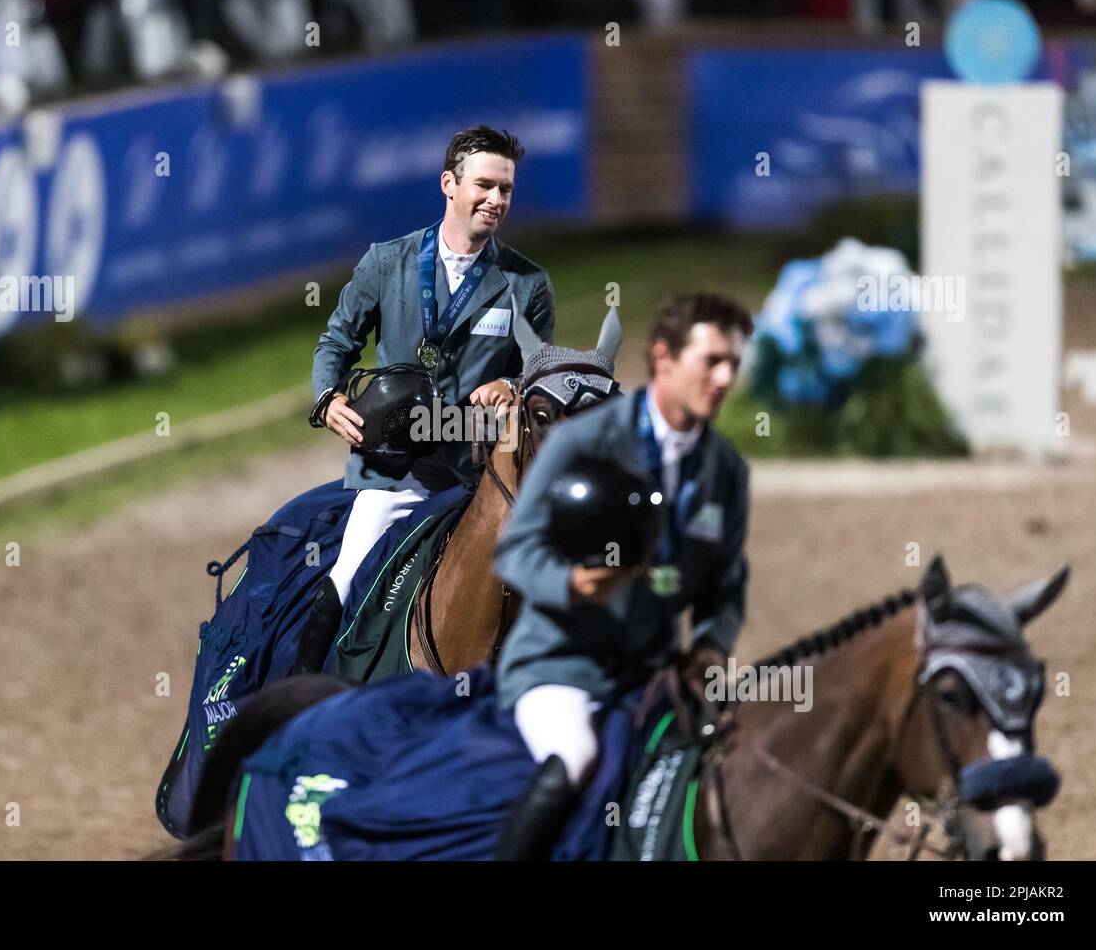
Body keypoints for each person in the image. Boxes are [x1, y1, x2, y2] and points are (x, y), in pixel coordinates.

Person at [491, 292, 754, 859]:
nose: (726, 377)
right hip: (561, 666)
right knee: (576, 755)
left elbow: (726, 585)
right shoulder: (581, 441)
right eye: (713, 361)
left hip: (655, 673)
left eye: (734, 363)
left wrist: (711, 643)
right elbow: (514, 551)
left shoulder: (726, 469)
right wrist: (569, 585)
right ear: (663, 358)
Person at [294, 125, 556, 673]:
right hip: (396, 473)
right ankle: (297, 706)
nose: (496, 200)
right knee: (341, 585)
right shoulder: (386, 262)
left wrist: (511, 386)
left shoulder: (528, 285)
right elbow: (336, 341)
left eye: (506, 189)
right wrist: (326, 398)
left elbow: (537, 379)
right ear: (448, 184)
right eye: (484, 185)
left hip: (476, 475)